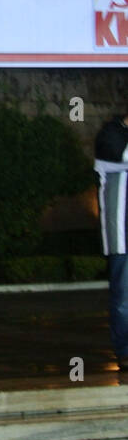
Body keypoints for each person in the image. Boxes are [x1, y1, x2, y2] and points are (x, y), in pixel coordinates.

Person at [93, 112, 128, 368]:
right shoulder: (110, 135)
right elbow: (121, 154)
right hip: (122, 233)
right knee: (124, 295)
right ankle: (125, 351)